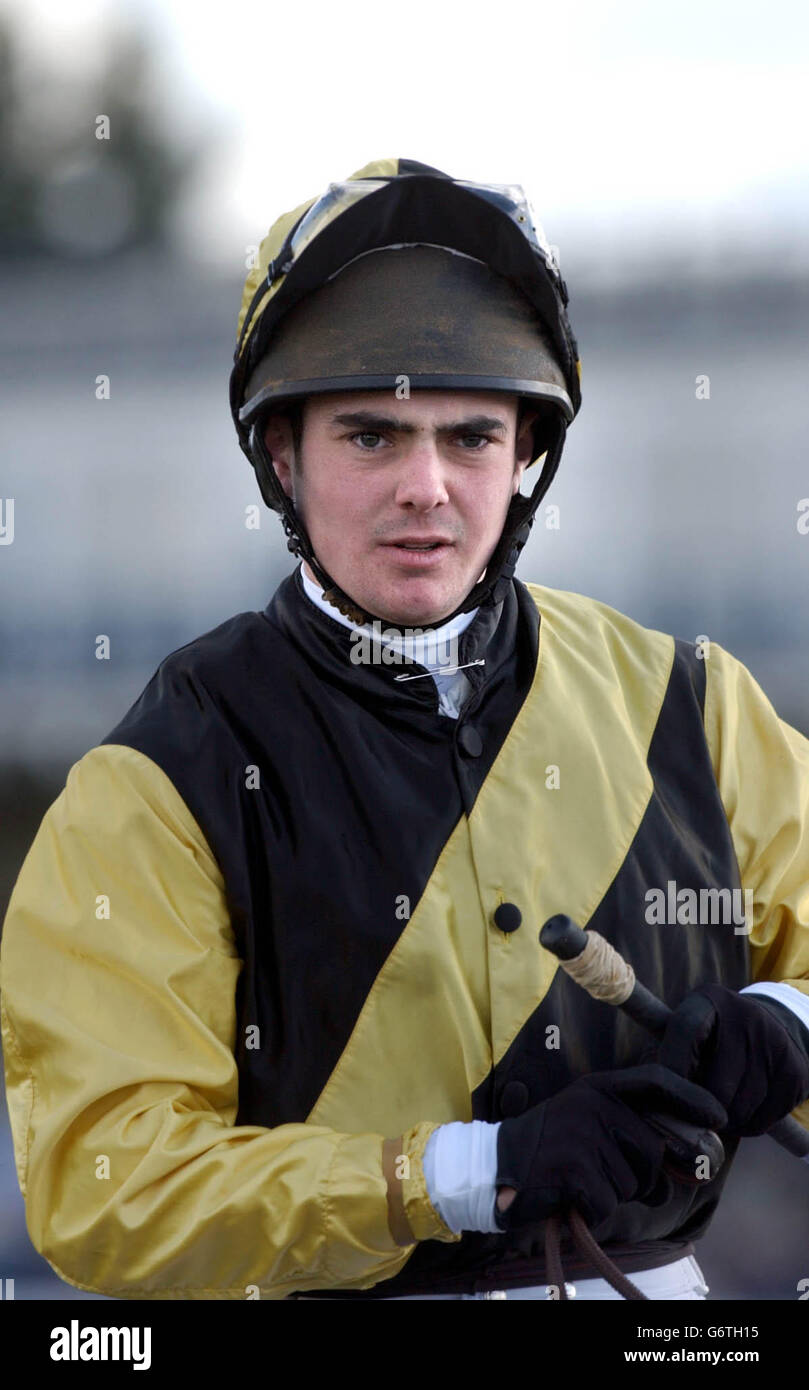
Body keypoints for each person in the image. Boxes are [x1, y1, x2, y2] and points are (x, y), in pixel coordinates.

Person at [2, 156, 809, 1303]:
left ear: (525, 457)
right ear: (280, 457)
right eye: (371, 436)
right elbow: (103, 1185)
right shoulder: (156, 782)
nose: (424, 486)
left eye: (469, 437)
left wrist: (785, 1018)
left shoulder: (695, 704)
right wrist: (466, 1174)